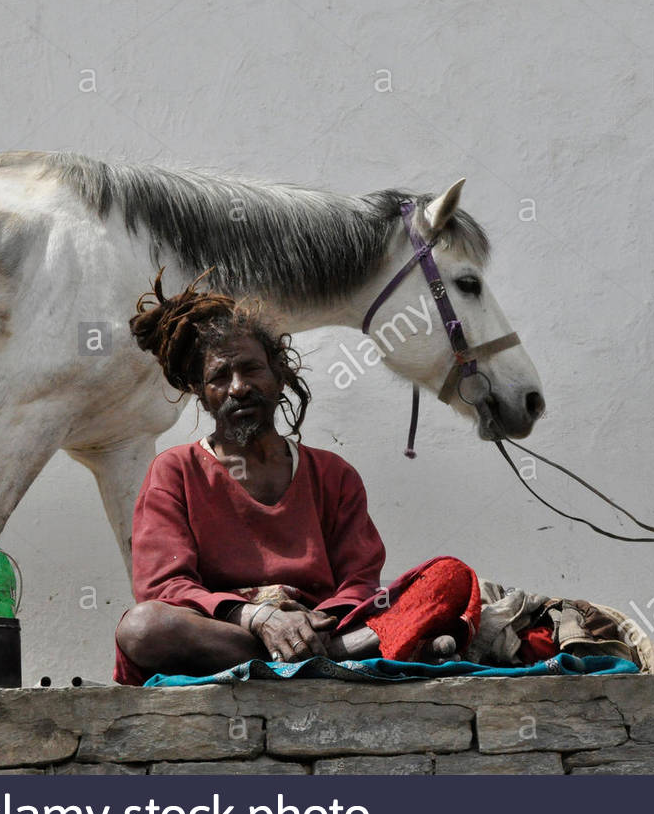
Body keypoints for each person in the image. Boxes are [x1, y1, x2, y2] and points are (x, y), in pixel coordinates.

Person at [111, 271, 480, 685]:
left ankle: (314, 652)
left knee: (449, 578)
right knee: (143, 626)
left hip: (326, 626)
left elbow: (359, 580)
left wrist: (312, 623)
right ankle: (321, 658)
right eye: (219, 377)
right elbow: (166, 586)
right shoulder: (175, 470)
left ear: (279, 374)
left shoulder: (332, 474)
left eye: (251, 369)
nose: (238, 387)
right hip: (228, 634)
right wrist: (257, 617)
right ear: (200, 390)